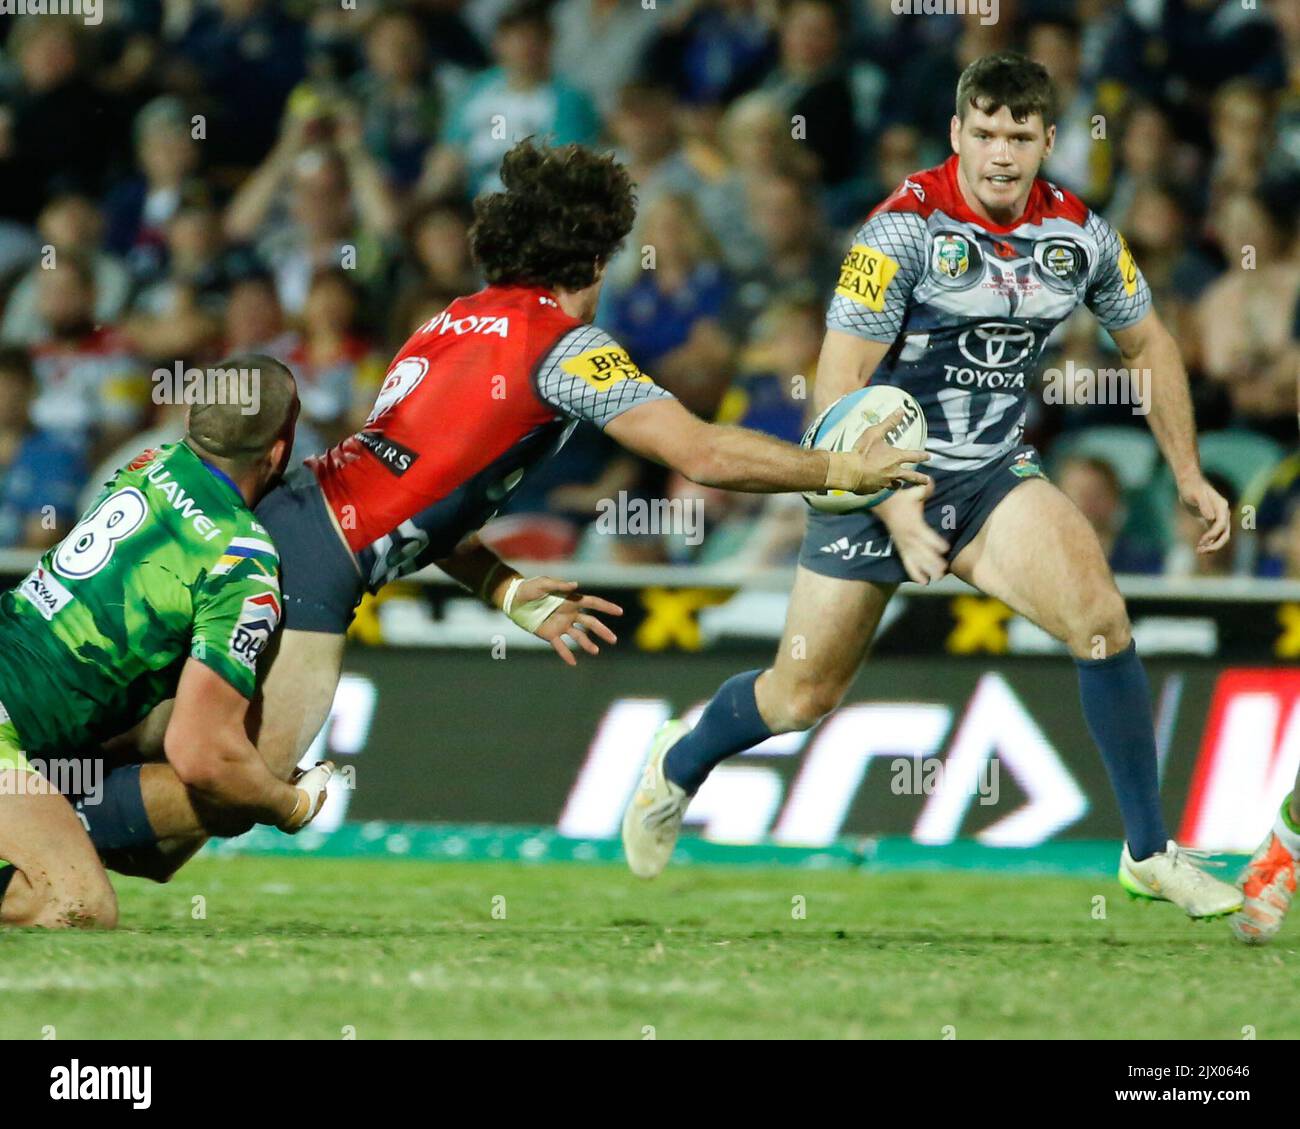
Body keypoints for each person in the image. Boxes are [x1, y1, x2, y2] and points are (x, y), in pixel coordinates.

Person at [78, 139, 927, 883]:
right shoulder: (566, 347)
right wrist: (841, 467)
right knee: (240, 786)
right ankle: (49, 822)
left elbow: (416, 496)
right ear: (593, 256)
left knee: (164, 772)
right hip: (314, 567)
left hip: (288, 524)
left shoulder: (446, 322)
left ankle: (47, 815)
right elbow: (699, 453)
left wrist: (509, 592)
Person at [621, 52, 1242, 922]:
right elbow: (837, 397)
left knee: (1100, 620)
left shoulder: (1080, 234)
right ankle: (678, 760)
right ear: (956, 134)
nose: (1000, 154)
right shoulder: (899, 231)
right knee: (800, 697)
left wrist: (1186, 471)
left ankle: (1148, 852)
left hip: (990, 475)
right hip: (868, 473)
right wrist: (899, 509)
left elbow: (1149, 344)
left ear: (1047, 142)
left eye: (1019, 137)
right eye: (984, 134)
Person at [0, 355, 332, 929]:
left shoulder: (151, 462)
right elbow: (202, 755)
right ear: (279, 451)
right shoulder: (240, 559)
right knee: (74, 904)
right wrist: (292, 804)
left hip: (25, 713)